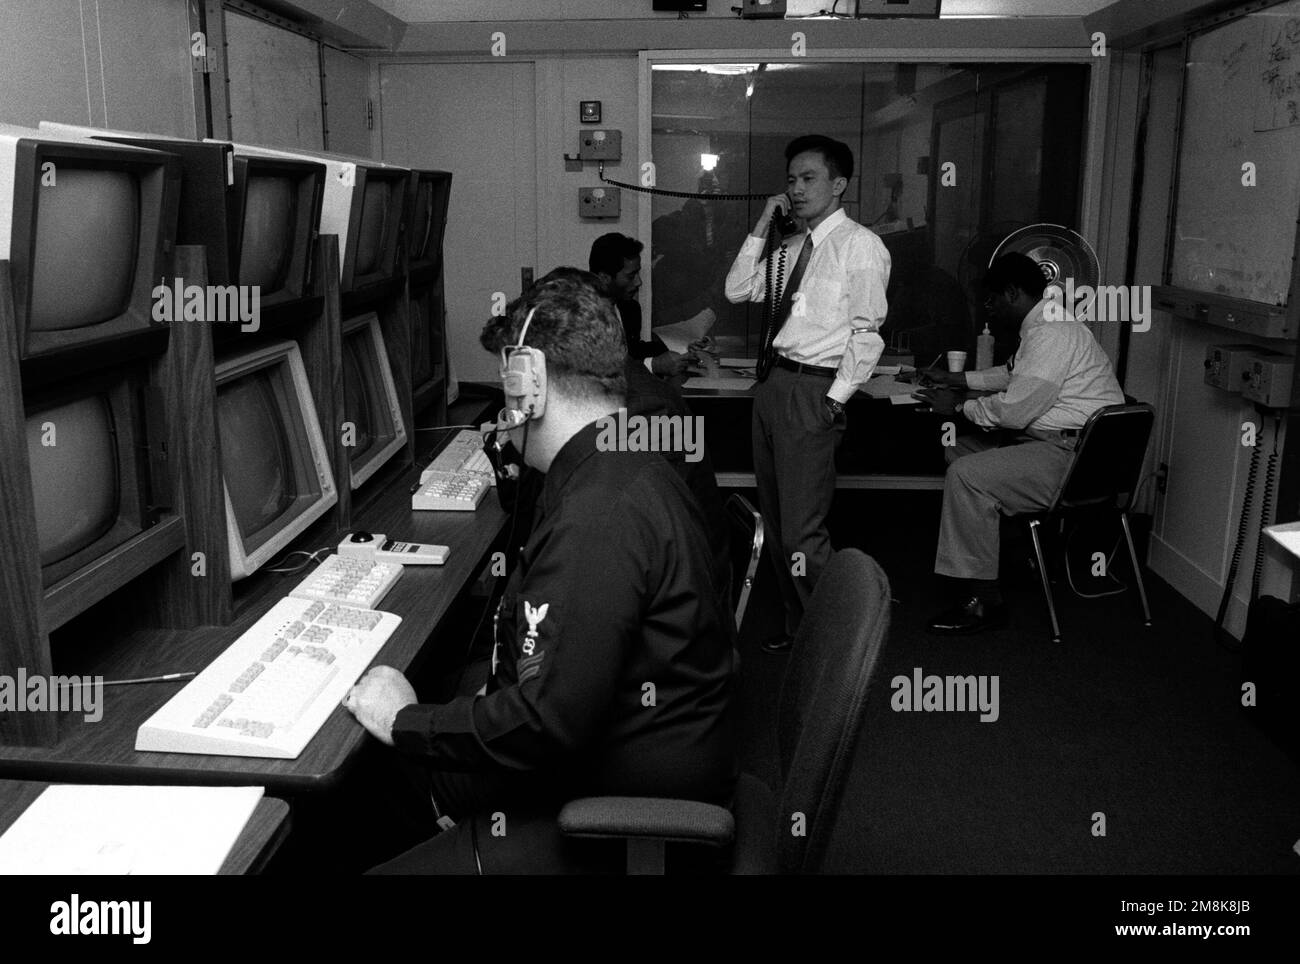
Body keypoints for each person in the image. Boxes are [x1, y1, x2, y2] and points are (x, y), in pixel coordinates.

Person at [344, 273, 736, 873]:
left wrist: (405, 720)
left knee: (364, 790)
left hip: (621, 796)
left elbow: (546, 725)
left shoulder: (598, 515)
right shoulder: (621, 462)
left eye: (507, 381)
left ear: (529, 384)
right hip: (657, 746)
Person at [724, 134, 891, 652]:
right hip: (774, 387)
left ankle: (839, 645)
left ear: (839, 184)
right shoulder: (791, 245)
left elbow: (868, 333)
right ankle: (802, 631)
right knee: (776, 523)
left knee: (803, 532)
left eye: (808, 179)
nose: (796, 189)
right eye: (791, 180)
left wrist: (835, 399)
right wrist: (761, 226)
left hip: (814, 391)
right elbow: (736, 290)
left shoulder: (860, 245)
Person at [917, 252, 1126, 635]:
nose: (988, 310)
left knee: (966, 475)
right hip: (1061, 445)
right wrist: (960, 381)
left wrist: (959, 406)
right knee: (959, 449)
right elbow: (1014, 375)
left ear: (1012, 293)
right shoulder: (1047, 324)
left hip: (1074, 460)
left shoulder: (1051, 334)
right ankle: (1011, 554)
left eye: (992, 300)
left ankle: (985, 600)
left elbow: (1013, 411)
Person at [589, 232, 692, 377]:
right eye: (630, 276)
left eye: (638, 274)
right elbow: (598, 369)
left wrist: (685, 348)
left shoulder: (630, 309)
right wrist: (653, 365)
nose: (638, 282)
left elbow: (633, 351)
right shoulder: (583, 316)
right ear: (604, 278)